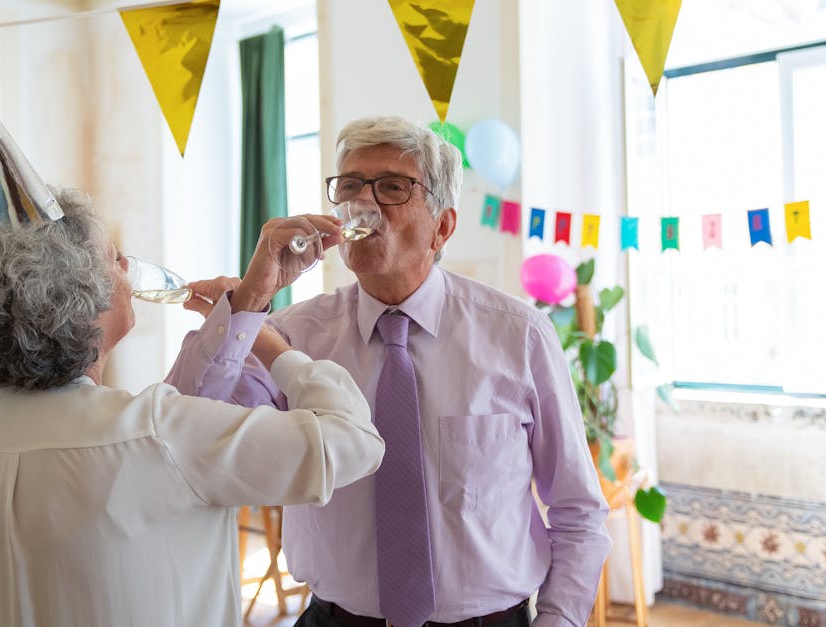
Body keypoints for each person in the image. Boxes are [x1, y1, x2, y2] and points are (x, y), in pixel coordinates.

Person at [168, 115, 612, 627]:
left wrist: (559, 621)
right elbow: (186, 429)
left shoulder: (519, 335)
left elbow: (578, 510)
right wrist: (250, 298)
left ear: (442, 225)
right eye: (351, 186)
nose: (365, 204)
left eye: (393, 187)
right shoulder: (289, 334)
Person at [0, 186, 383, 627]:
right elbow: (353, 441)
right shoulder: (156, 433)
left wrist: (248, 303)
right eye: (112, 257)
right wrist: (268, 340)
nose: (126, 264)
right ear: (80, 297)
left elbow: (177, 428)